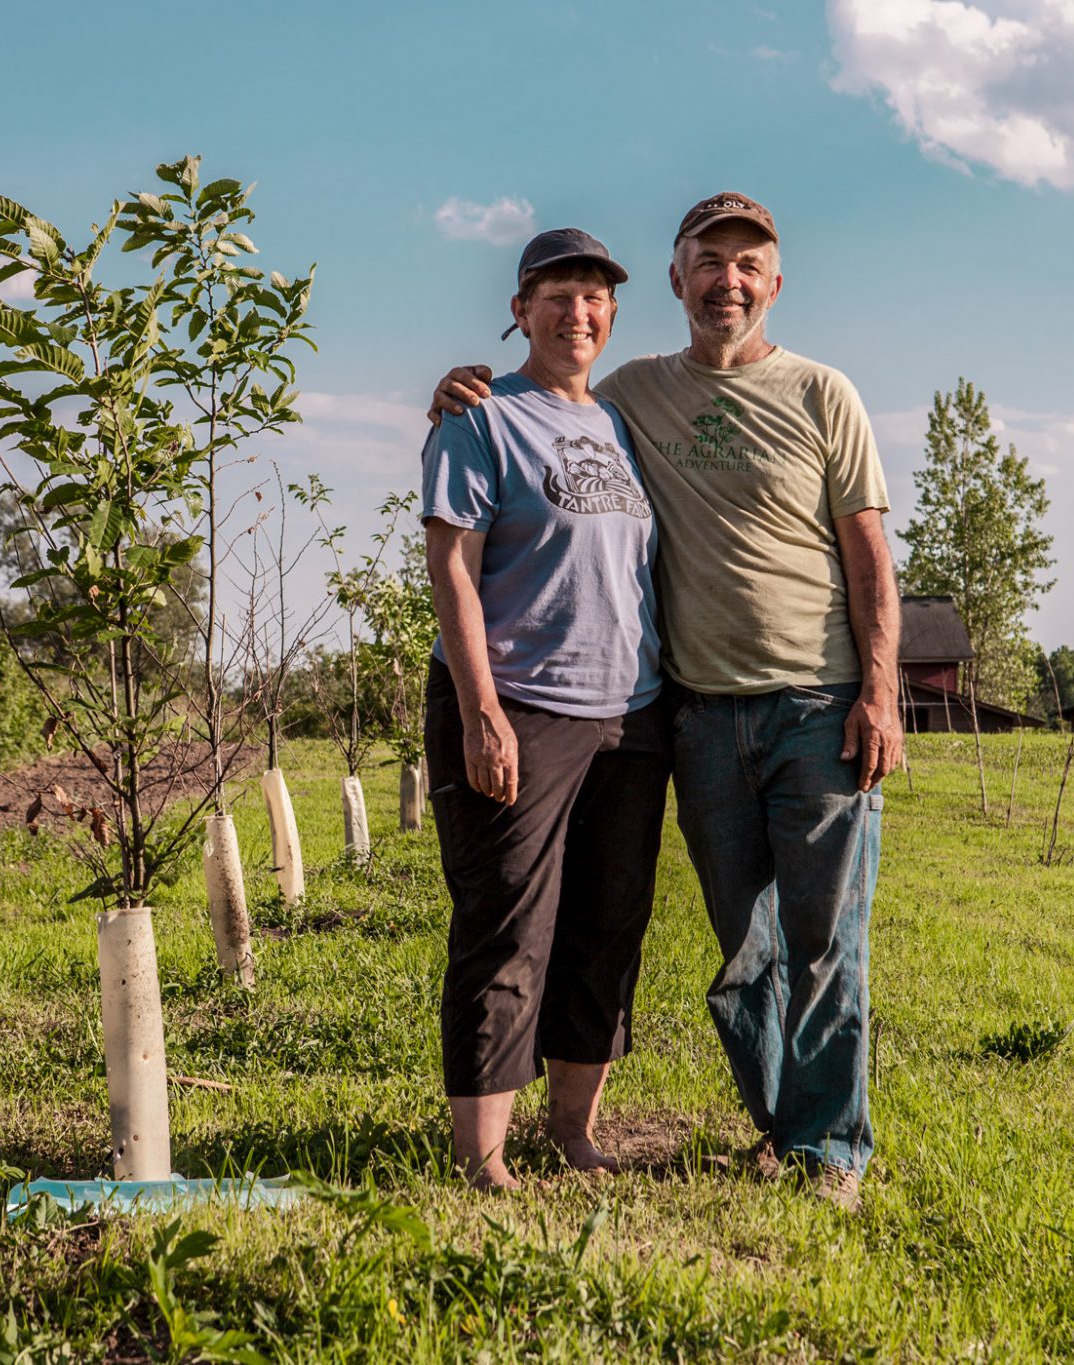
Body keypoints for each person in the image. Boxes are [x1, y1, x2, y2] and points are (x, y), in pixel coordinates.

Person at [431, 193, 903, 1209]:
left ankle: (830, 1148)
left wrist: (879, 690)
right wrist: (459, 390)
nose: (728, 280)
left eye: (748, 264)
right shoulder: (630, 396)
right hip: (697, 716)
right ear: (678, 279)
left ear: (774, 283)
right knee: (744, 950)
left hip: (813, 706)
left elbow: (869, 551)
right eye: (708, 261)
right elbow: (530, 417)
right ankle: (783, 1126)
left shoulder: (822, 393)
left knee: (822, 938)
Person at [420, 227, 668, 1192]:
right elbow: (452, 565)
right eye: (558, 294)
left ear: (613, 314)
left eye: (595, 296)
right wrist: (481, 709)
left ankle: (573, 1131)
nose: (578, 311)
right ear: (520, 311)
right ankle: (481, 1158)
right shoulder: (480, 417)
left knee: (607, 924)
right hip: (518, 704)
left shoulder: (623, 425)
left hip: (630, 715)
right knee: (508, 924)